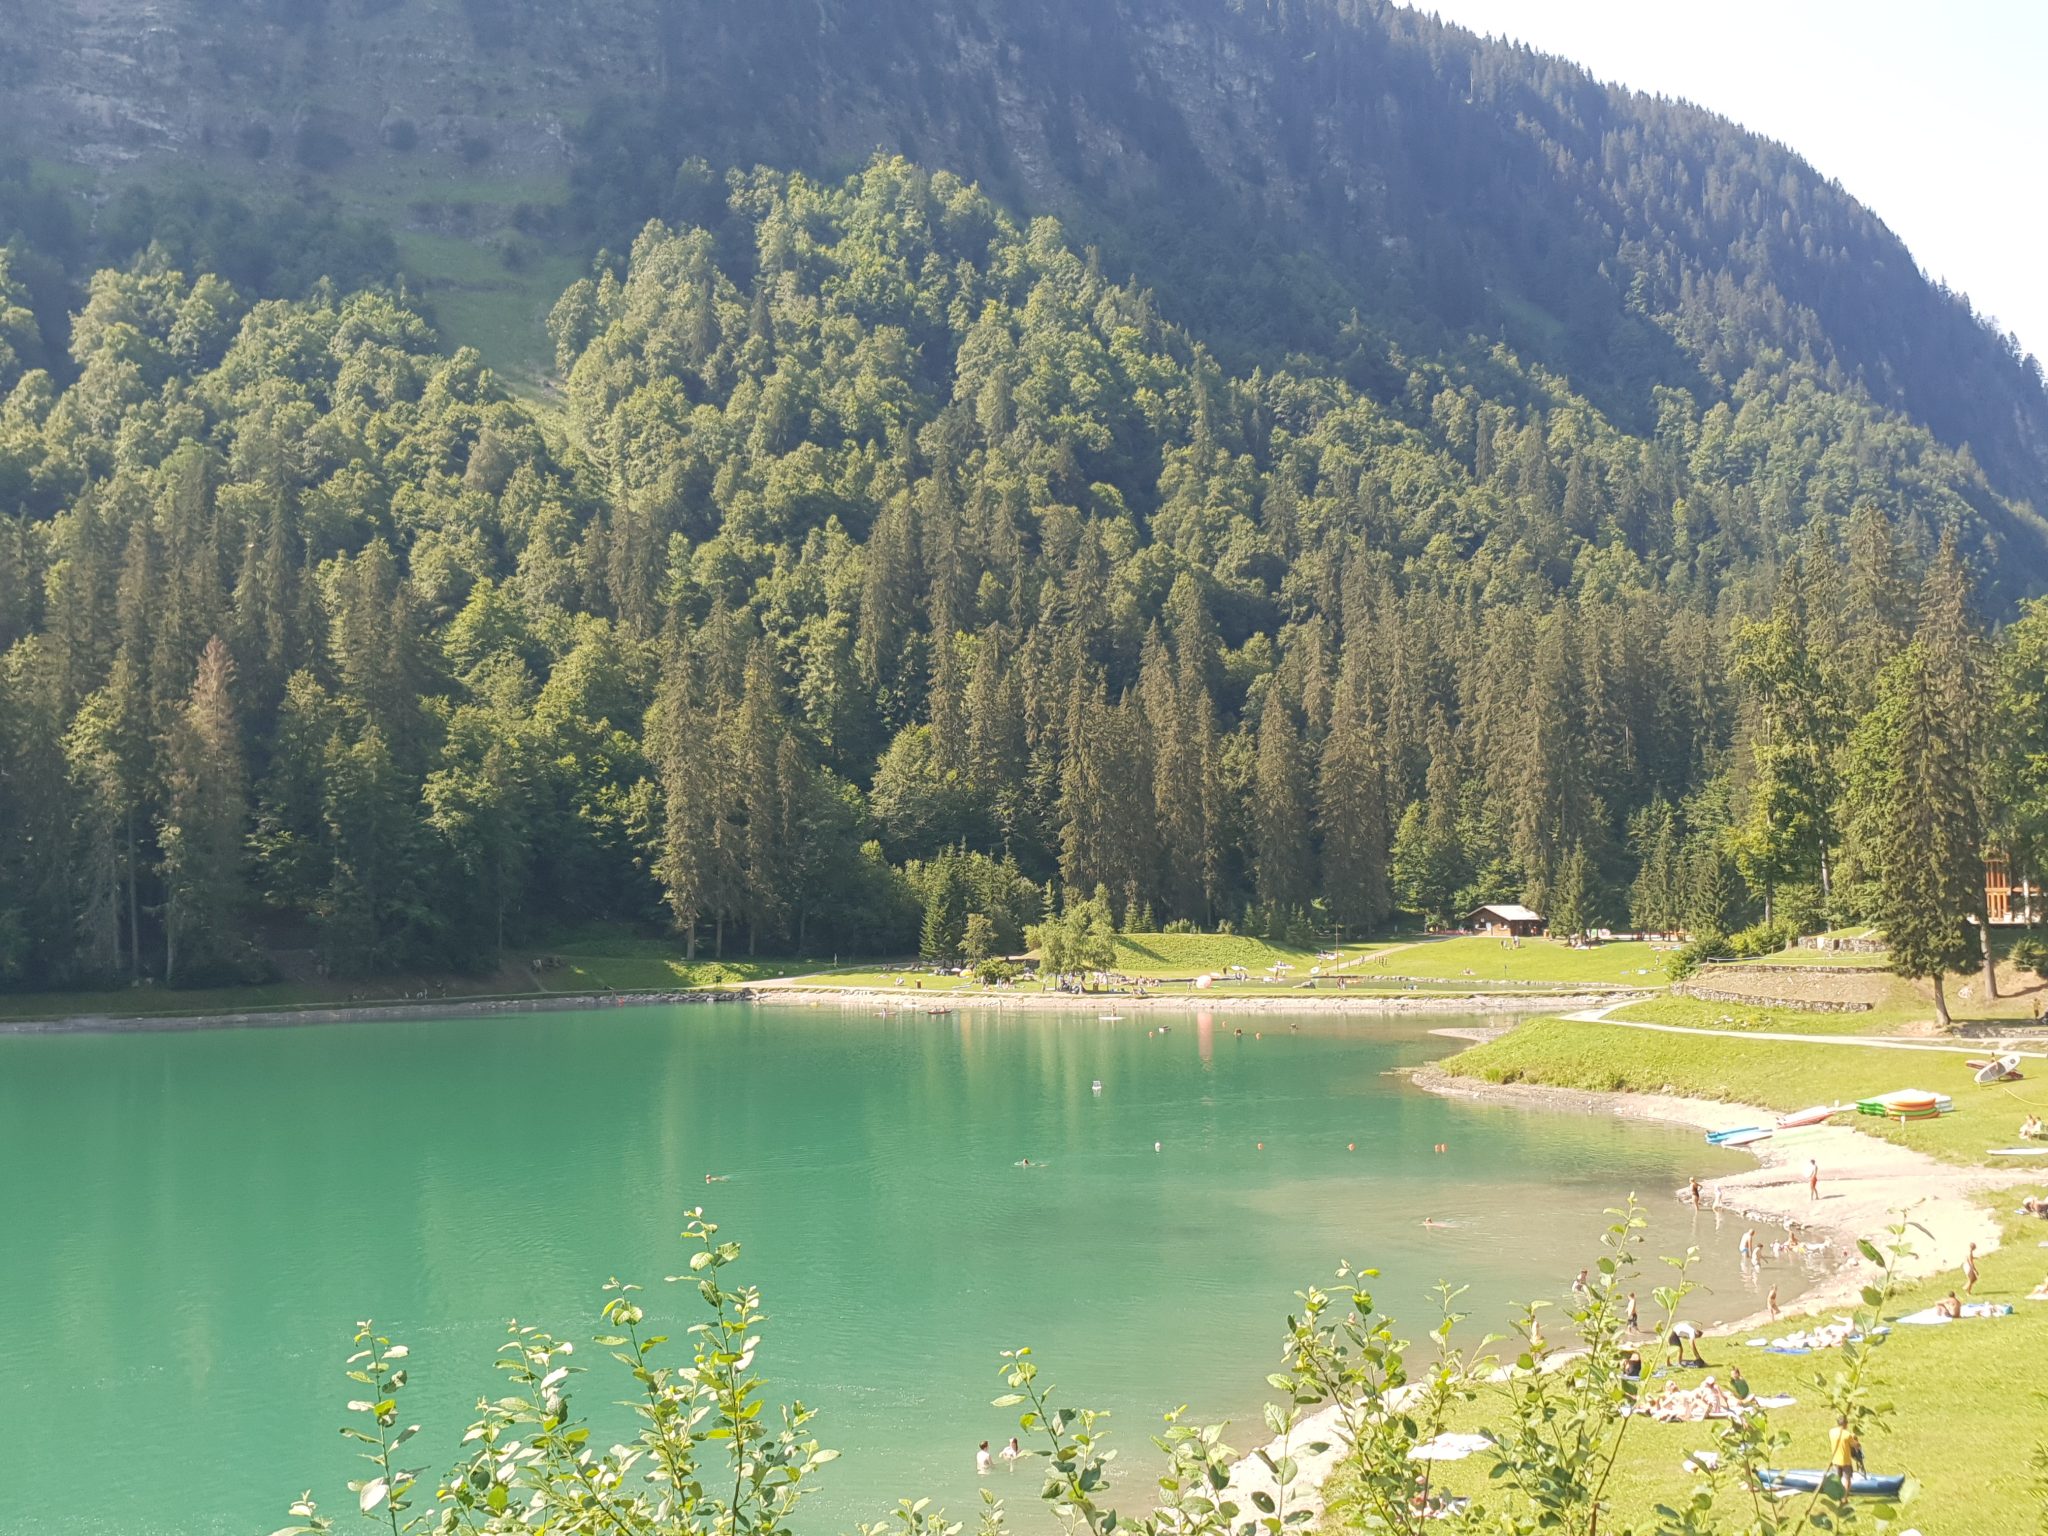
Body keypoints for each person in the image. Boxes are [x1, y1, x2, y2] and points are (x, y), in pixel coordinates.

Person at [1827, 1416, 1863, 1495]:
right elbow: (1855, 1445)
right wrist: (1856, 1440)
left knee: (1837, 1479)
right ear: (1845, 1424)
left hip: (1835, 1460)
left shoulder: (1831, 1432)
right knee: (1847, 1479)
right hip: (1845, 1461)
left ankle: (1837, 1494)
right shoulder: (1847, 1434)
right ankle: (1845, 1496)